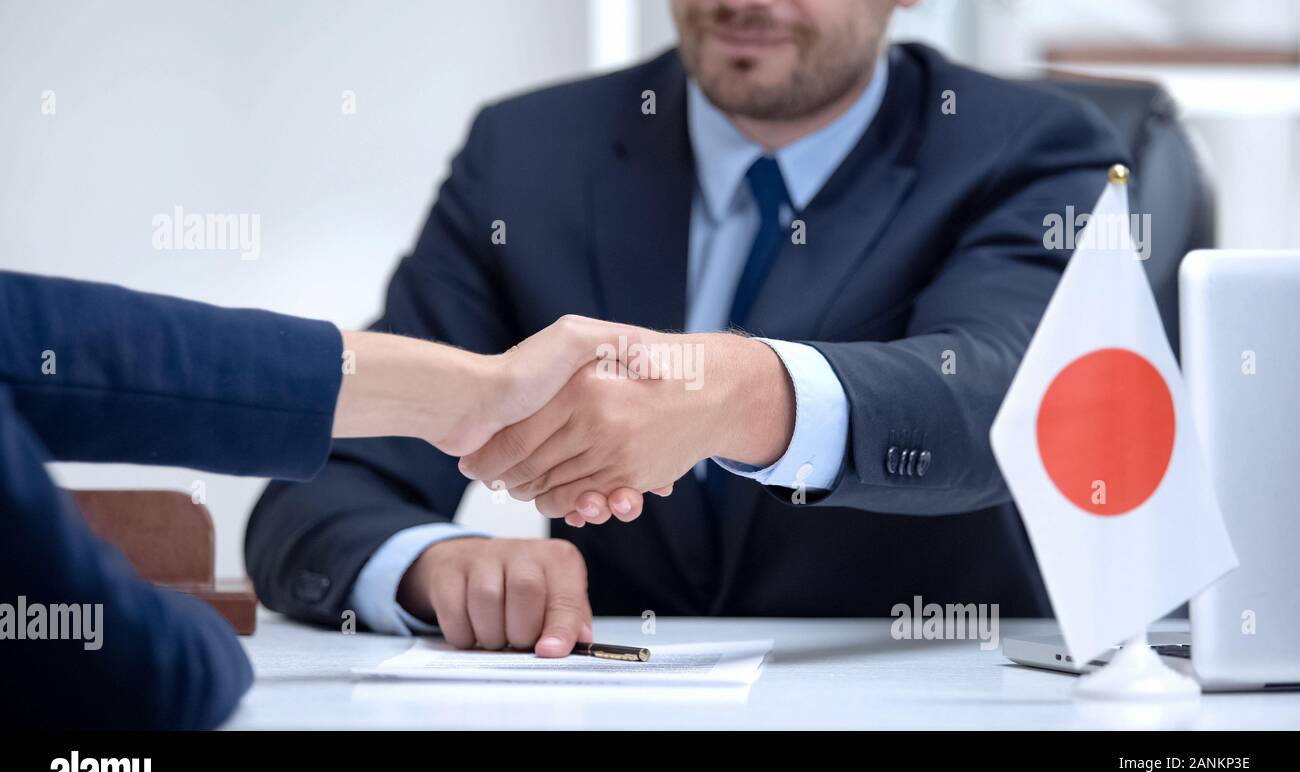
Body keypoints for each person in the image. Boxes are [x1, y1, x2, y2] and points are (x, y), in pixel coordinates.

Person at [246, 0, 1127, 646]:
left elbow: (1008, 398)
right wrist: (432, 564)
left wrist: (743, 394)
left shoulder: (1029, 145)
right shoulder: (528, 153)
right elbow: (327, 479)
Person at [0, 269, 644, 728]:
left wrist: (478, 393)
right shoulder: (519, 152)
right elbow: (145, 670)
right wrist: (431, 559)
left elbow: (33, 338)